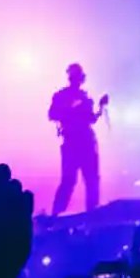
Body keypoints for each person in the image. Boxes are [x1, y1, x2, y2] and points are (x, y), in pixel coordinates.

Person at [48, 63, 110, 216]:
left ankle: (92, 213)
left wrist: (101, 108)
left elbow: (91, 119)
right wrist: (72, 108)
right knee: (69, 181)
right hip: (72, 143)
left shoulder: (84, 97)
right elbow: (52, 114)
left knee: (91, 180)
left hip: (86, 142)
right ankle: (55, 215)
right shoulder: (61, 96)